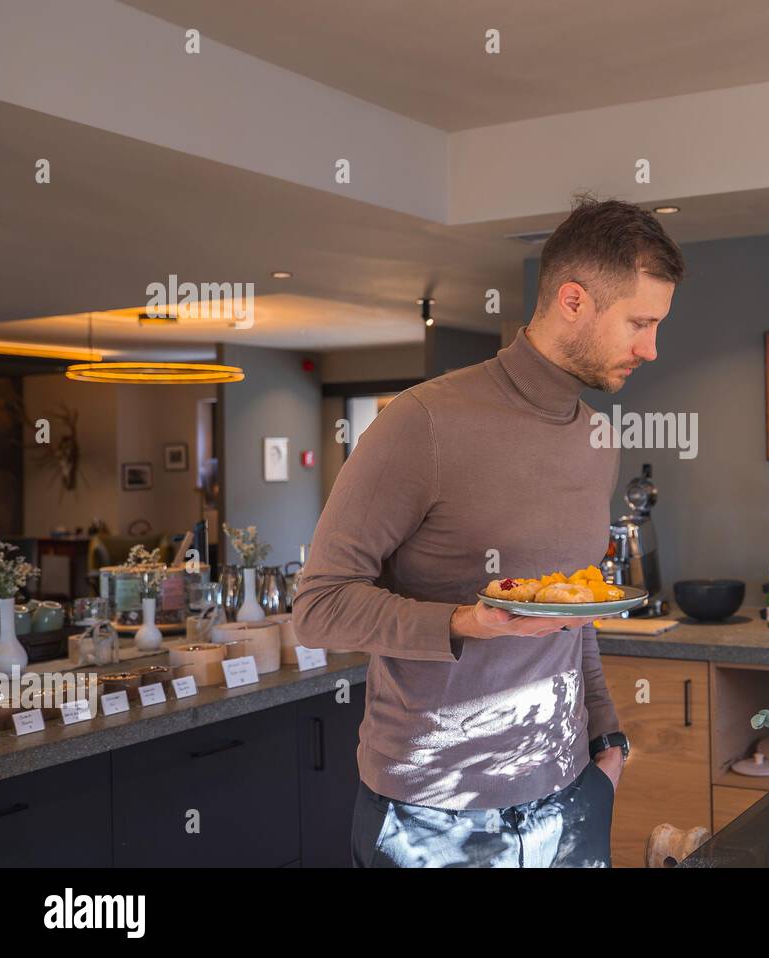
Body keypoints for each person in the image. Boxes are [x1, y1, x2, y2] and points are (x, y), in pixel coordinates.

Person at [292, 196, 685, 867]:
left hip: (569, 797)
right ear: (573, 301)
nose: (651, 348)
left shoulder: (598, 439)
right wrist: (466, 624)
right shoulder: (423, 424)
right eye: (639, 324)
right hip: (433, 820)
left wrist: (607, 739)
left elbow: (575, 613)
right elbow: (318, 606)